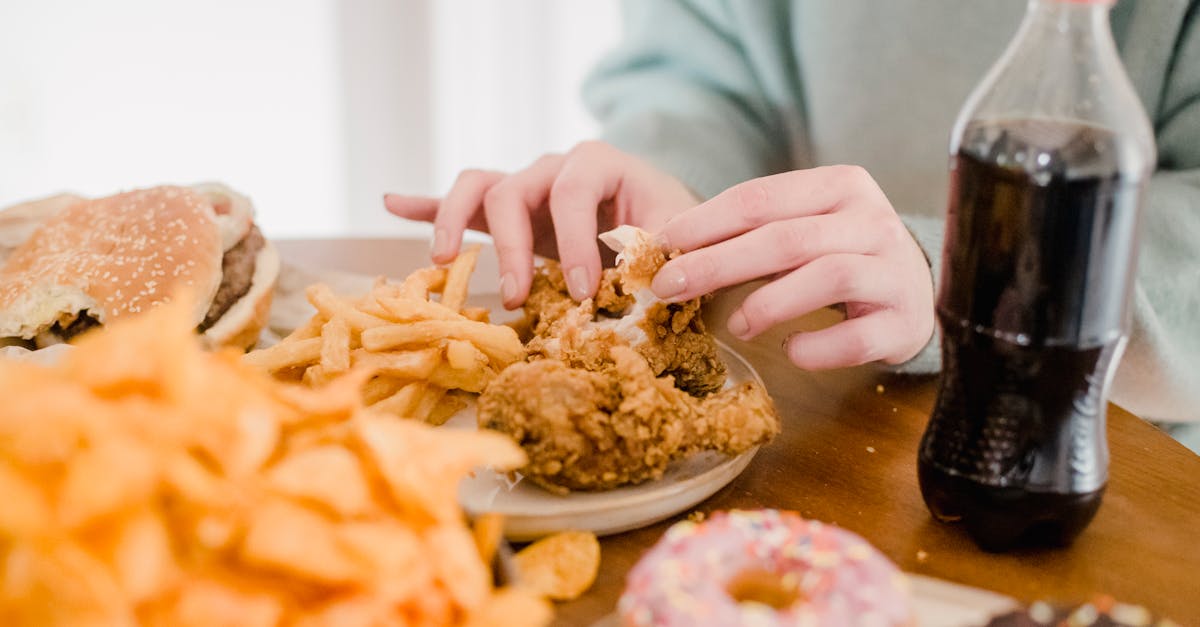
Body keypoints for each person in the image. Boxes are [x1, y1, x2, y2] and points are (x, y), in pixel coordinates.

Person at [384, 0, 1200, 450]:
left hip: (1114, 441)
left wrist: (966, 276)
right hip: (825, 410)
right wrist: (677, 202)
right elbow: (705, 56)